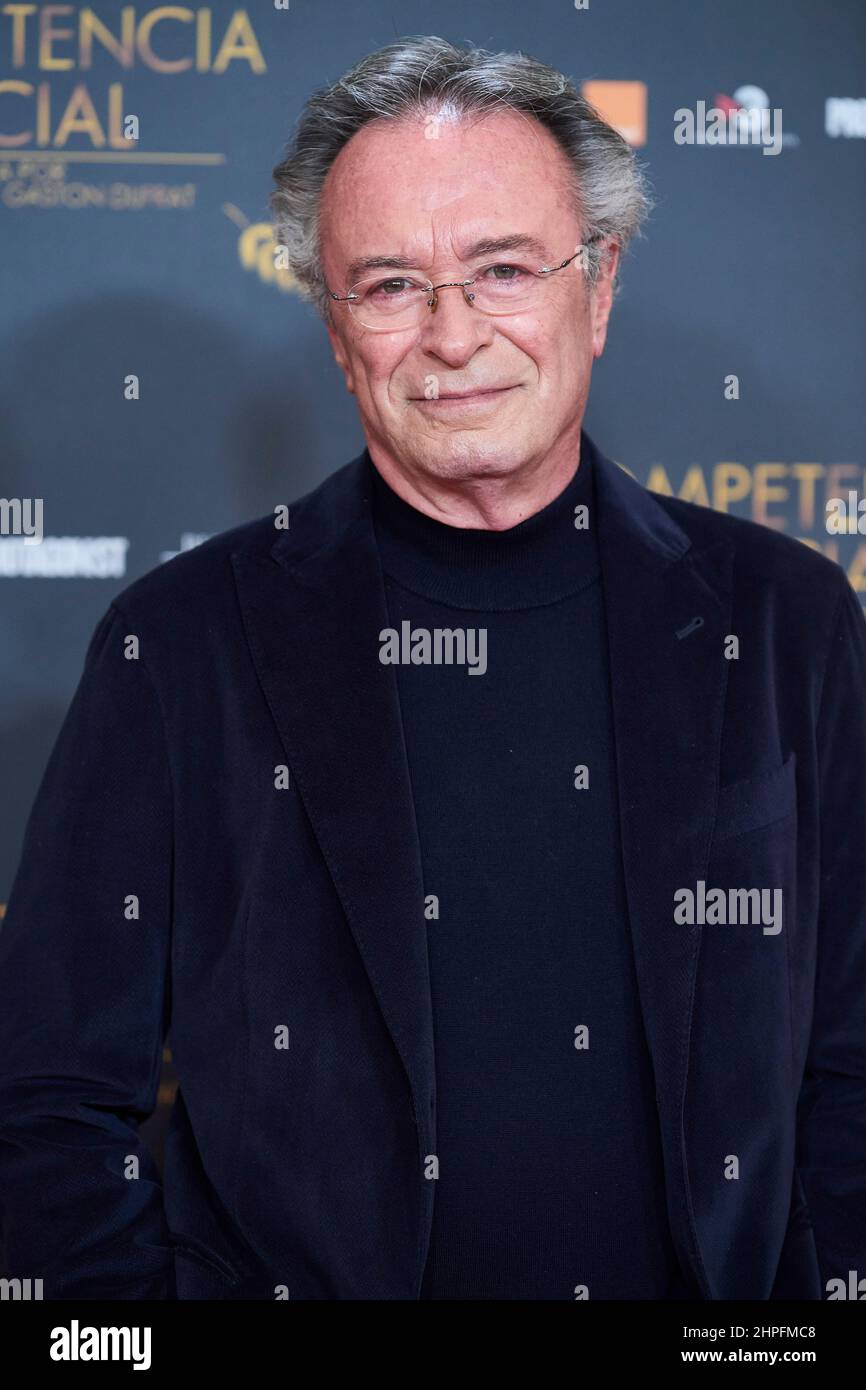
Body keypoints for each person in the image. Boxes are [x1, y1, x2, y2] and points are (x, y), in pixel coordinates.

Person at [1, 35, 864, 1301]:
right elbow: (49, 1103)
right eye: (391, 285)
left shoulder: (783, 619)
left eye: (502, 269)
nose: (452, 336)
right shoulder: (177, 647)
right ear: (334, 324)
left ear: (600, 285)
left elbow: (849, 1059)